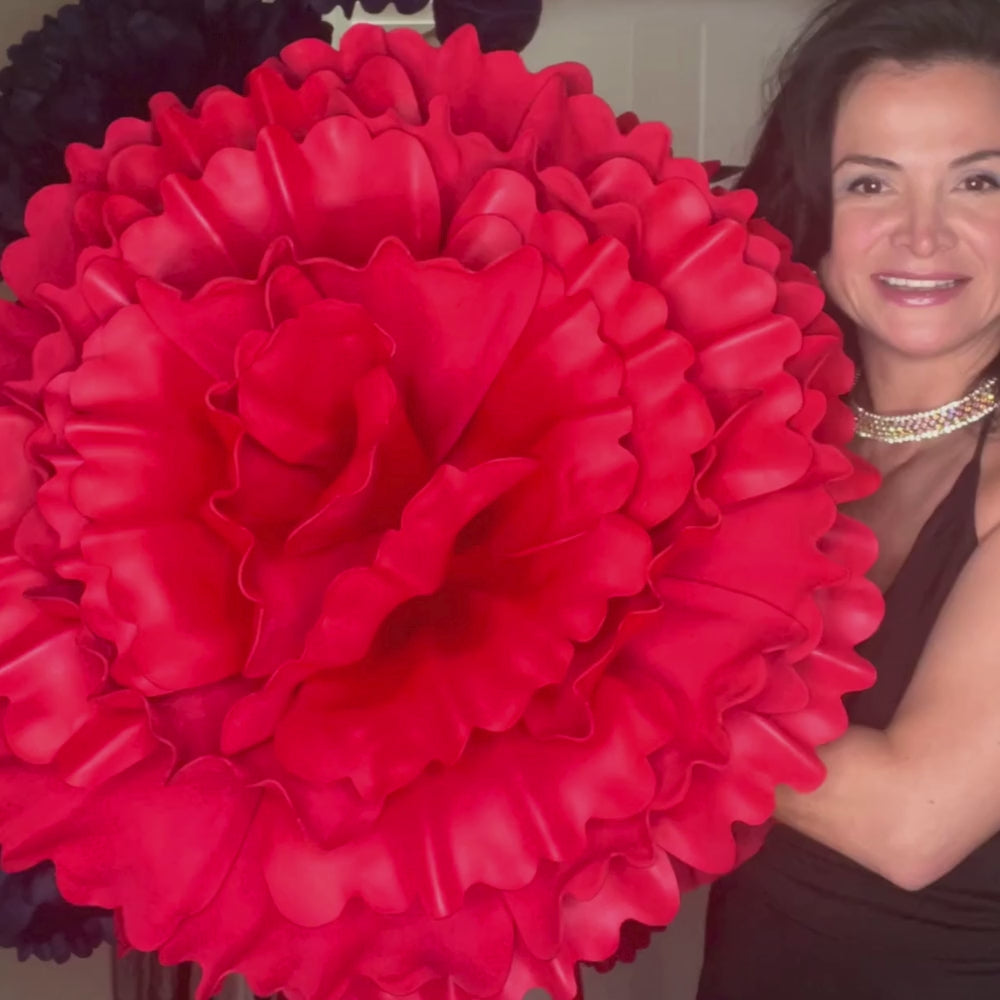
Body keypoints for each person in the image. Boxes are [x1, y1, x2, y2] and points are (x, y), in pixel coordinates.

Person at [697, 1, 1000, 997]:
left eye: (979, 181)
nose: (921, 233)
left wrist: (623, 684)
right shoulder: (773, 440)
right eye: (872, 182)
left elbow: (910, 822)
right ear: (818, 215)